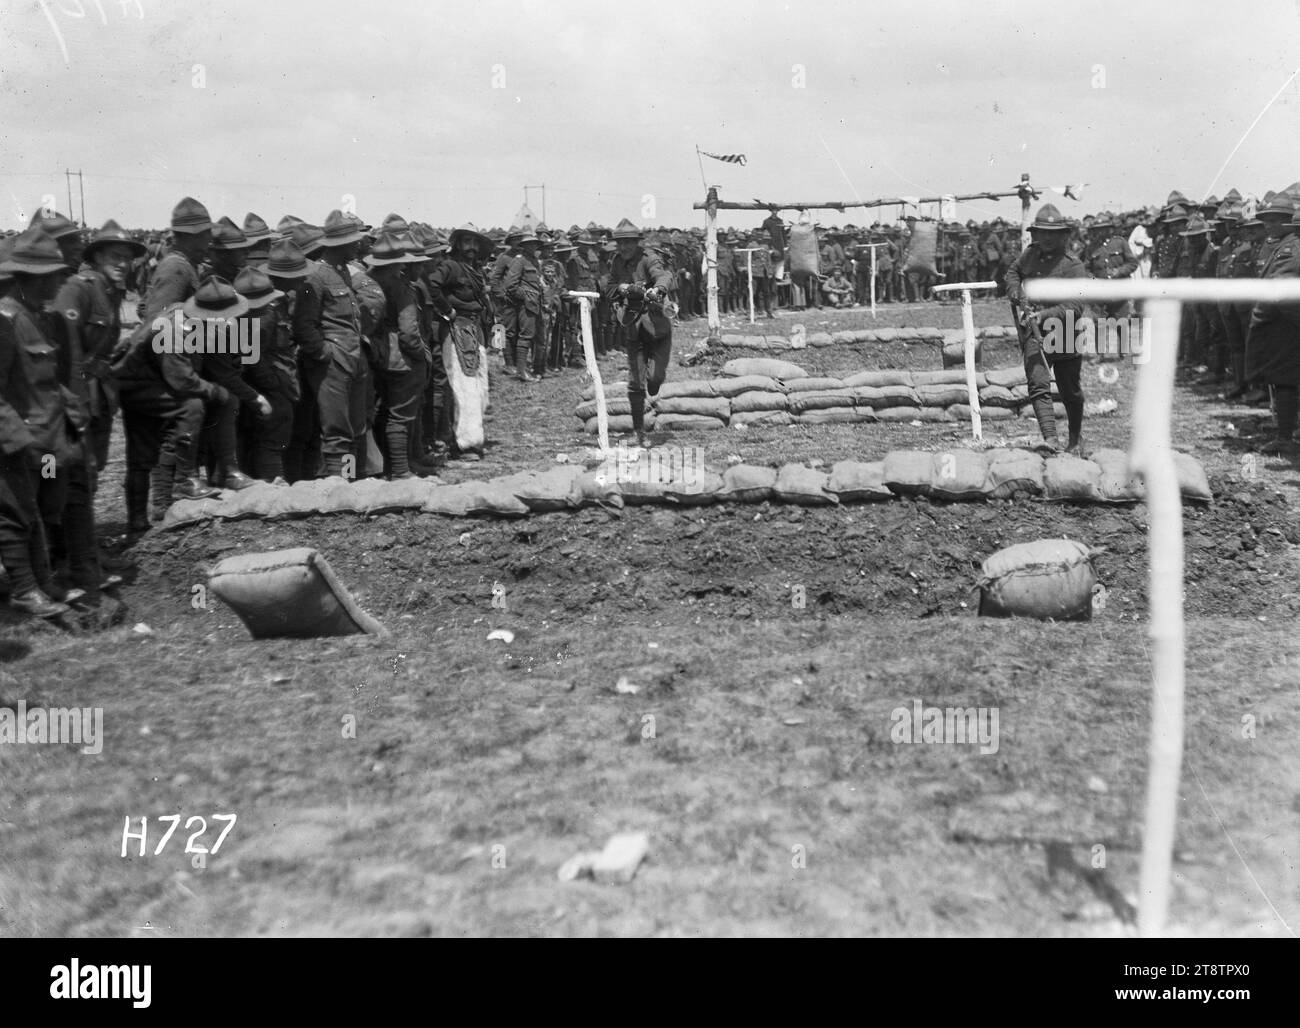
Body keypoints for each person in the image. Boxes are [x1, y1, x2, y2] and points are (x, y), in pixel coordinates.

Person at [0, 228, 83, 617]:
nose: (58, 280)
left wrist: (72, 412)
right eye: (52, 274)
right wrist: (13, 438)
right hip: (20, 440)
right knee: (17, 513)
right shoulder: (6, 319)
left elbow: (50, 379)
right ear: (31, 277)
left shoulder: (42, 318)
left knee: (43, 507)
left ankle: (43, 579)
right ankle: (23, 589)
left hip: (49, 440)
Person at [1004, 203, 1088, 454]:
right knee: (1038, 383)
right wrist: (1016, 293)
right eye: (1042, 233)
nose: (1048, 238)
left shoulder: (1073, 266)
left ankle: (1075, 438)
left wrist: (1044, 315)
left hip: (1064, 333)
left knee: (1069, 391)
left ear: (1064, 236)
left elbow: (1076, 305)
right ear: (1035, 235)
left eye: (1054, 233)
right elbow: (1013, 272)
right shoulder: (1029, 255)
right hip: (1033, 331)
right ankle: (1050, 439)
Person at [604, 218, 673, 448]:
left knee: (654, 380)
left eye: (628, 243)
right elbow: (609, 288)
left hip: (658, 327)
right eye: (620, 243)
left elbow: (664, 276)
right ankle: (639, 431)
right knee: (635, 383)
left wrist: (657, 289)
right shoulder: (615, 262)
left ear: (636, 243)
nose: (624, 248)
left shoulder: (648, 258)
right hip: (633, 328)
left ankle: (653, 384)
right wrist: (623, 288)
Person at [1246, 205, 1300, 455]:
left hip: (1285, 324)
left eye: (1273, 221)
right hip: (1285, 322)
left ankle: (1285, 436)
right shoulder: (1284, 246)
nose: (1267, 226)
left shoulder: (1291, 249)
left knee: (1284, 381)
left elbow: (1281, 292)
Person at [143, 197, 212, 321]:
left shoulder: (187, 264)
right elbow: (157, 323)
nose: (209, 239)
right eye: (206, 233)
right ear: (191, 236)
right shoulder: (176, 267)